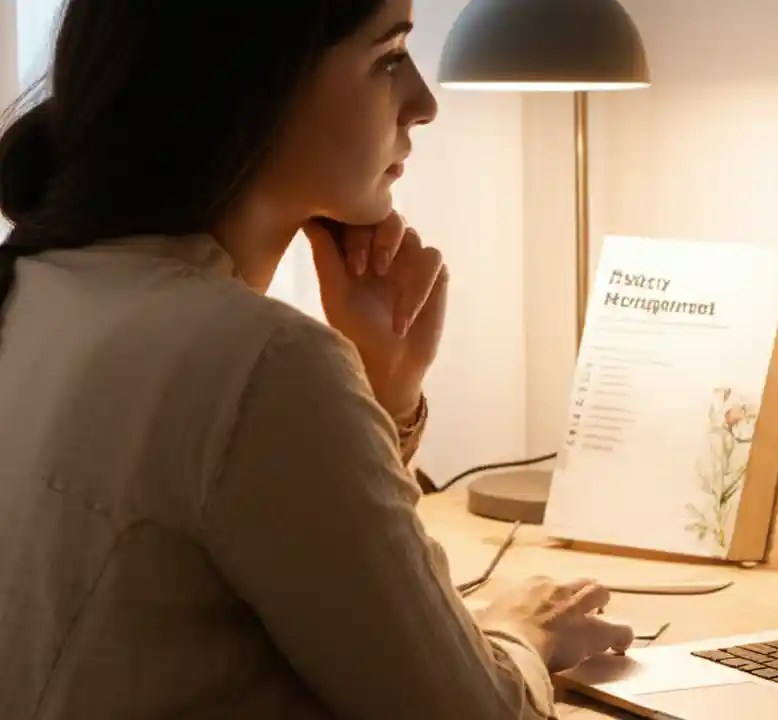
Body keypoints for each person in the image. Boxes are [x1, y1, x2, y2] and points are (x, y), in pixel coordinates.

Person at [0, 1, 633, 718]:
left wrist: (385, 393)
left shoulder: (44, 287)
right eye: (389, 58)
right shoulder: (259, 362)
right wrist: (523, 630)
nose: (424, 103)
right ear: (250, 86)